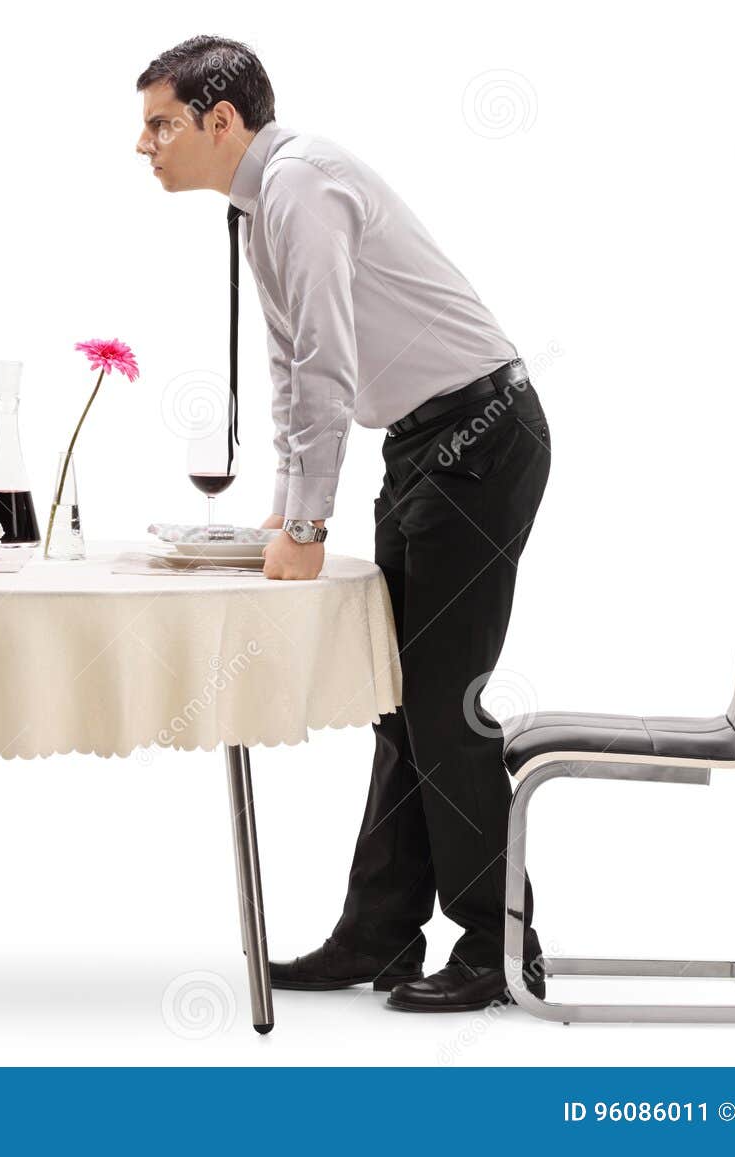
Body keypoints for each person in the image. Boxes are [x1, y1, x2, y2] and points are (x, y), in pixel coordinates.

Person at [135, 36, 550, 1012]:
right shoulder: (258, 207)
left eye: (160, 123)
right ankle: (378, 930)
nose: (143, 143)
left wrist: (310, 518)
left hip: (478, 437)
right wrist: (287, 503)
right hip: (421, 441)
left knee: (446, 701)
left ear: (220, 119)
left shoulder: (301, 185)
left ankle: (500, 949)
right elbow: (289, 366)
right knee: (397, 697)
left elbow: (326, 354)